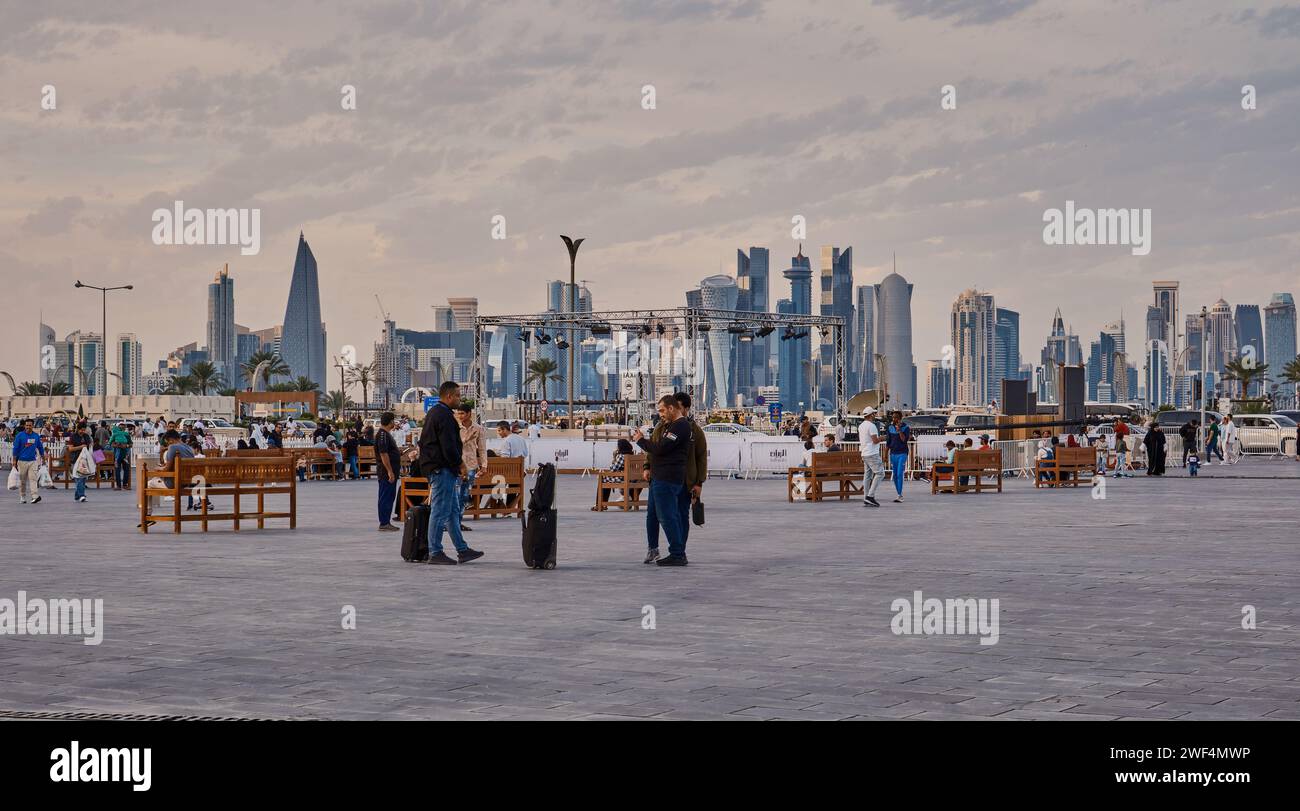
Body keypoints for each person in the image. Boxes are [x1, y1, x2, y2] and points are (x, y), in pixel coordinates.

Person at [416, 381, 482, 565]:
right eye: (458, 396)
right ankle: (435, 552)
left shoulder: (436, 413)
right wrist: (461, 465)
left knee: (452, 510)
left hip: (439, 467)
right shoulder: (443, 415)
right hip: (441, 469)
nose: (460, 400)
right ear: (449, 396)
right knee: (440, 510)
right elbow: (449, 446)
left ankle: (462, 549)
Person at [633, 395, 691, 566]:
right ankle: (655, 549)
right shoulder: (669, 426)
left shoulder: (680, 426)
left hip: (667, 478)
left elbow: (661, 448)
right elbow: (658, 448)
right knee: (653, 515)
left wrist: (641, 441)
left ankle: (677, 553)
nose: (660, 414)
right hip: (658, 477)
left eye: (662, 410)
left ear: (672, 408)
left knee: (667, 516)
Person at [674, 392, 707, 545]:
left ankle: (679, 549)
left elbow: (701, 457)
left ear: (686, 409)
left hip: (685, 481)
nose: (675, 410)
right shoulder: (663, 426)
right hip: (666, 480)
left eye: (678, 407)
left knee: (682, 515)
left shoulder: (695, 431)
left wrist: (699, 483)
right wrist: (647, 467)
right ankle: (674, 547)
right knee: (668, 516)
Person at [456, 403, 488, 532]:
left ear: (469, 413)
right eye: (458, 413)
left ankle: (458, 522)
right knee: (455, 494)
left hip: (470, 465)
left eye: (462, 413)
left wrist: (484, 465)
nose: (460, 416)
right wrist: (467, 439)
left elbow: (482, 448)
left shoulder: (478, 428)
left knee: (464, 494)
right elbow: (453, 445)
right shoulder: (455, 427)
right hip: (456, 465)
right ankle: (453, 523)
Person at [374, 412, 403, 532]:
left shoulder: (386, 434)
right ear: (391, 421)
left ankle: (386, 521)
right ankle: (384, 522)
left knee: (390, 496)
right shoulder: (382, 435)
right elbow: (383, 454)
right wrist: (390, 471)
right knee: (386, 496)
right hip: (386, 472)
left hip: (390, 471)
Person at [10, 418, 46, 504]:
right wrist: (14, 461)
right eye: (27, 425)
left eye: (30, 425)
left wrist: (43, 458)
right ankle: (22, 496)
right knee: (22, 481)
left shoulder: (36, 436)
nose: (28, 427)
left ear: (33, 426)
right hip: (22, 461)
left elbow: (40, 447)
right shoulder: (20, 435)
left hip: (32, 461)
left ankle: (35, 496)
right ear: (24, 426)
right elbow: (15, 448)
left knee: (33, 479)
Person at [594, 438, 636, 511]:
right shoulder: (632, 455)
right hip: (632, 479)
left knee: (602, 478)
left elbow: (613, 469)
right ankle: (603, 504)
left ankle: (599, 505)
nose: (617, 447)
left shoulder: (622, 456)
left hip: (623, 478)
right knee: (605, 478)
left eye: (617, 446)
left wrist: (614, 458)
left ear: (621, 447)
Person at [859, 407, 885, 507]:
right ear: (871, 415)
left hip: (864, 453)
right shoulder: (872, 426)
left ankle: (866, 497)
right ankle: (870, 496)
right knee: (880, 473)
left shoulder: (861, 426)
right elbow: (875, 440)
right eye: (874, 413)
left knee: (867, 475)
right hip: (872, 453)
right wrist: (882, 438)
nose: (875, 415)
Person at [884, 410, 911, 503]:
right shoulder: (890, 427)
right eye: (893, 417)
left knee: (900, 473)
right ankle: (898, 493)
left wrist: (899, 430)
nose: (894, 419)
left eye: (896, 417)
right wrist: (885, 455)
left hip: (902, 453)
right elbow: (888, 442)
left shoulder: (906, 427)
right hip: (893, 453)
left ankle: (900, 495)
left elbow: (904, 440)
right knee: (895, 475)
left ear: (900, 418)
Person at [66, 421, 94, 503]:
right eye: (81, 430)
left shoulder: (86, 436)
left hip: (84, 461)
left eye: (84, 430)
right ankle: (82, 495)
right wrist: (80, 447)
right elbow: (70, 449)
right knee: (79, 478)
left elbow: (90, 446)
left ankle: (77, 496)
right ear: (78, 429)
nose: (82, 431)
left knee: (83, 478)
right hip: (75, 460)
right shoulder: (73, 436)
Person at [109, 421, 133, 490]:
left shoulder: (126, 435)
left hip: (125, 455)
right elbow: (110, 443)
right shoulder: (115, 435)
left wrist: (126, 445)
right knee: (117, 470)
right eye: (120, 425)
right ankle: (118, 486)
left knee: (126, 470)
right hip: (117, 455)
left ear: (125, 427)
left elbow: (131, 444)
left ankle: (125, 485)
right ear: (118, 427)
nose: (122, 426)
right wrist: (117, 445)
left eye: (123, 425)